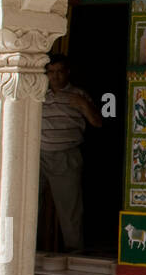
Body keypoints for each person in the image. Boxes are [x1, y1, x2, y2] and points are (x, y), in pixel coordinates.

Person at [40, 55, 102, 254]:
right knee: (28, 204)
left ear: (67, 72)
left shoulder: (78, 94)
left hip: (66, 156)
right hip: (37, 156)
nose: (55, 76)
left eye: (59, 71)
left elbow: (97, 122)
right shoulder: (38, 93)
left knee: (69, 209)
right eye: (51, 72)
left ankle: (74, 252)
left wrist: (83, 104)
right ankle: (27, 248)